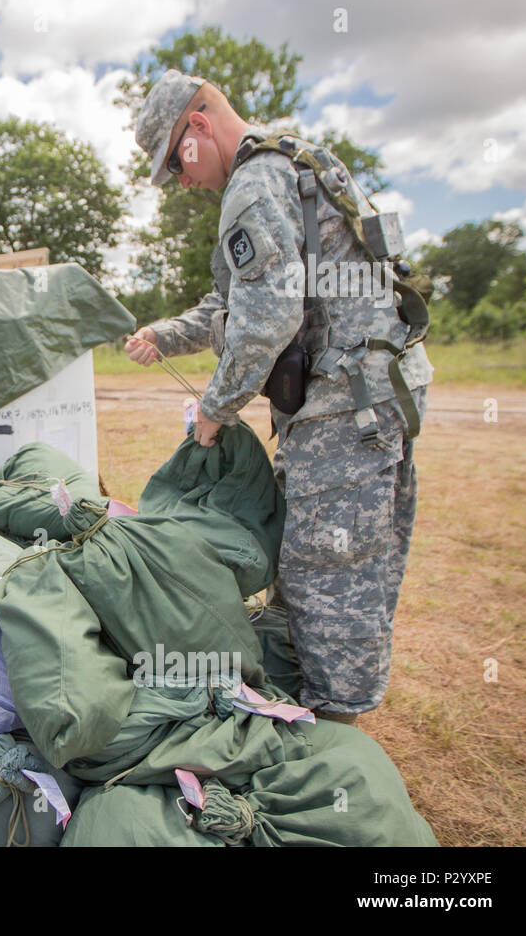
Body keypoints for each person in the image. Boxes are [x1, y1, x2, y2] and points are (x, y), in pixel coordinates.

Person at [125, 70, 434, 725]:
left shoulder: (254, 184)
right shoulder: (286, 166)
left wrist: (214, 412)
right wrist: (162, 334)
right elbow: (232, 302)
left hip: (350, 405)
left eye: (175, 165)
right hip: (359, 396)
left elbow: (265, 319)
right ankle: (314, 697)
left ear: (199, 128)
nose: (181, 183)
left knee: (329, 566)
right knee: (308, 558)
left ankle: (334, 728)